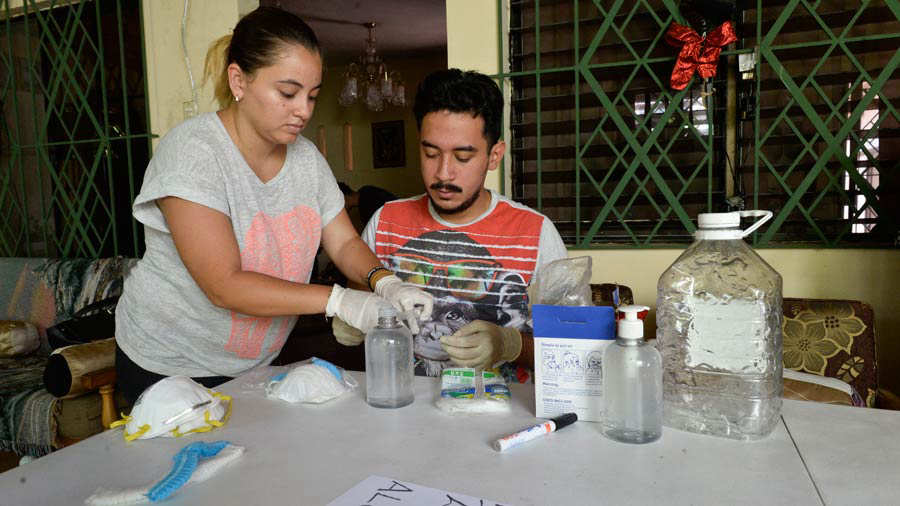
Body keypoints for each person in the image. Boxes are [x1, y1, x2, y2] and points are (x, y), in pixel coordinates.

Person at [114, 7, 432, 404]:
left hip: (254, 366)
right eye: (288, 93)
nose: (304, 110)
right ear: (238, 80)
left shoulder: (306, 159)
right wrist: (339, 301)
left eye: (312, 96)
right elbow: (224, 286)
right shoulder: (193, 153)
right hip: (169, 367)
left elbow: (344, 243)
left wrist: (386, 282)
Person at [333, 68, 567, 380]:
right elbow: (360, 293)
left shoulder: (535, 234)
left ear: (494, 155)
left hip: (501, 414)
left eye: (463, 157)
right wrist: (355, 317)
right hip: (403, 408)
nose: (444, 173)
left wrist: (511, 345)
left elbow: (569, 350)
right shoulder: (386, 221)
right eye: (431, 153)